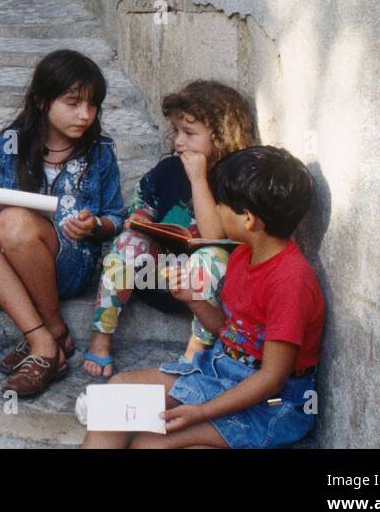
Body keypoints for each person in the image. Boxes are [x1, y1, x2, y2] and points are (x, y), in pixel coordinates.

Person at [80, 145, 324, 449]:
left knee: (150, 444)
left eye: (220, 204)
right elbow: (229, 330)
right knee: (117, 396)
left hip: (271, 403)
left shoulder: (290, 281)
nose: (215, 209)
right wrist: (194, 299)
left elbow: (271, 379)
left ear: (248, 219)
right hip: (220, 370)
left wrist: (200, 413)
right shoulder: (243, 256)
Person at [0, 50, 124, 397]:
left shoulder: (100, 152)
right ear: (44, 101)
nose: (85, 115)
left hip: (71, 264)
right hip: (16, 265)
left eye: (93, 106)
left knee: (15, 222)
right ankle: (47, 340)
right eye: (74, 103)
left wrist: (94, 226)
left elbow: (117, 218)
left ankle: (48, 340)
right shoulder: (10, 144)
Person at [83, 80, 256, 377]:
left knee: (211, 256)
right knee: (129, 242)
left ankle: (194, 351)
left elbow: (214, 237)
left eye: (189, 133)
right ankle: (101, 338)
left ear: (221, 137)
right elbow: (141, 205)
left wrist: (199, 179)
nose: (178, 142)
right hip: (157, 276)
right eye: (176, 131)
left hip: (204, 293)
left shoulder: (231, 181)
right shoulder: (167, 170)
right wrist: (139, 219)